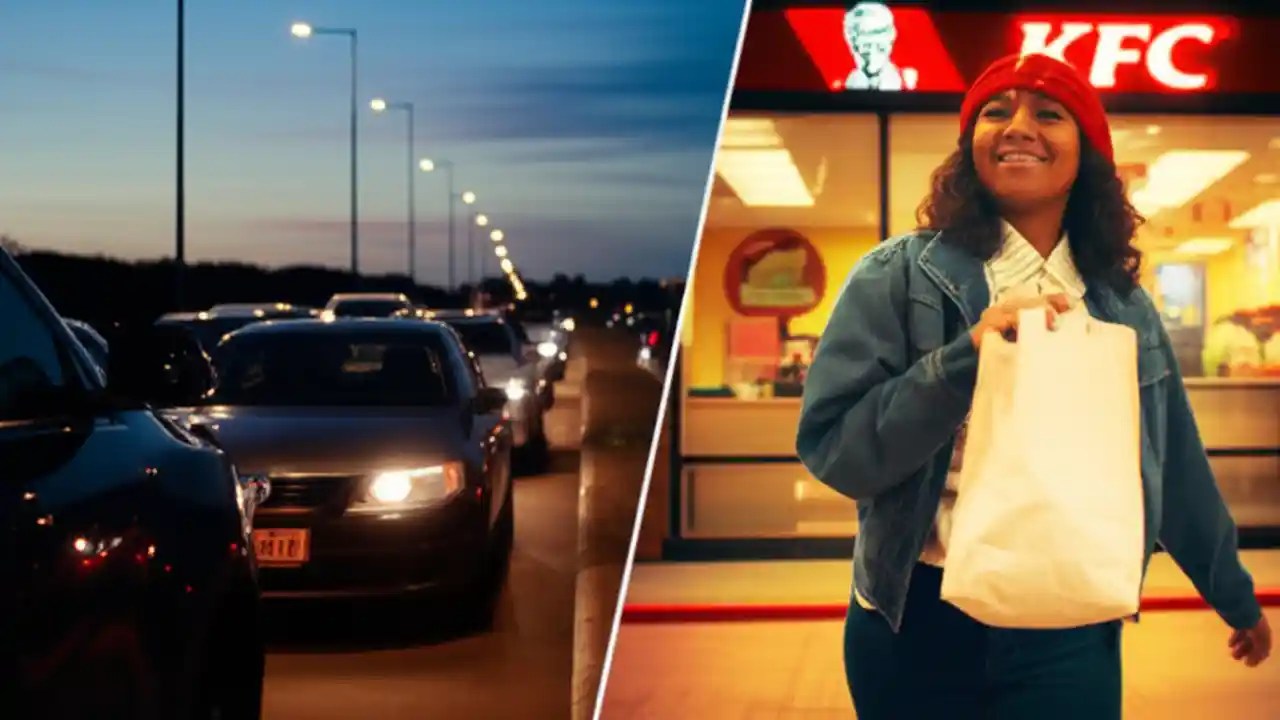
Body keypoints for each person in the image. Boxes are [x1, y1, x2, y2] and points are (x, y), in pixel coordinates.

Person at [795, 53, 1272, 719]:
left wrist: (1233, 594)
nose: (1018, 126)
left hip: (1071, 624)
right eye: (996, 112)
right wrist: (963, 360)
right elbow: (836, 450)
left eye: (1049, 114)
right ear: (971, 146)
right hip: (915, 619)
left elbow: (1175, 465)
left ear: (1087, 154)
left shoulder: (1123, 306)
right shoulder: (896, 278)